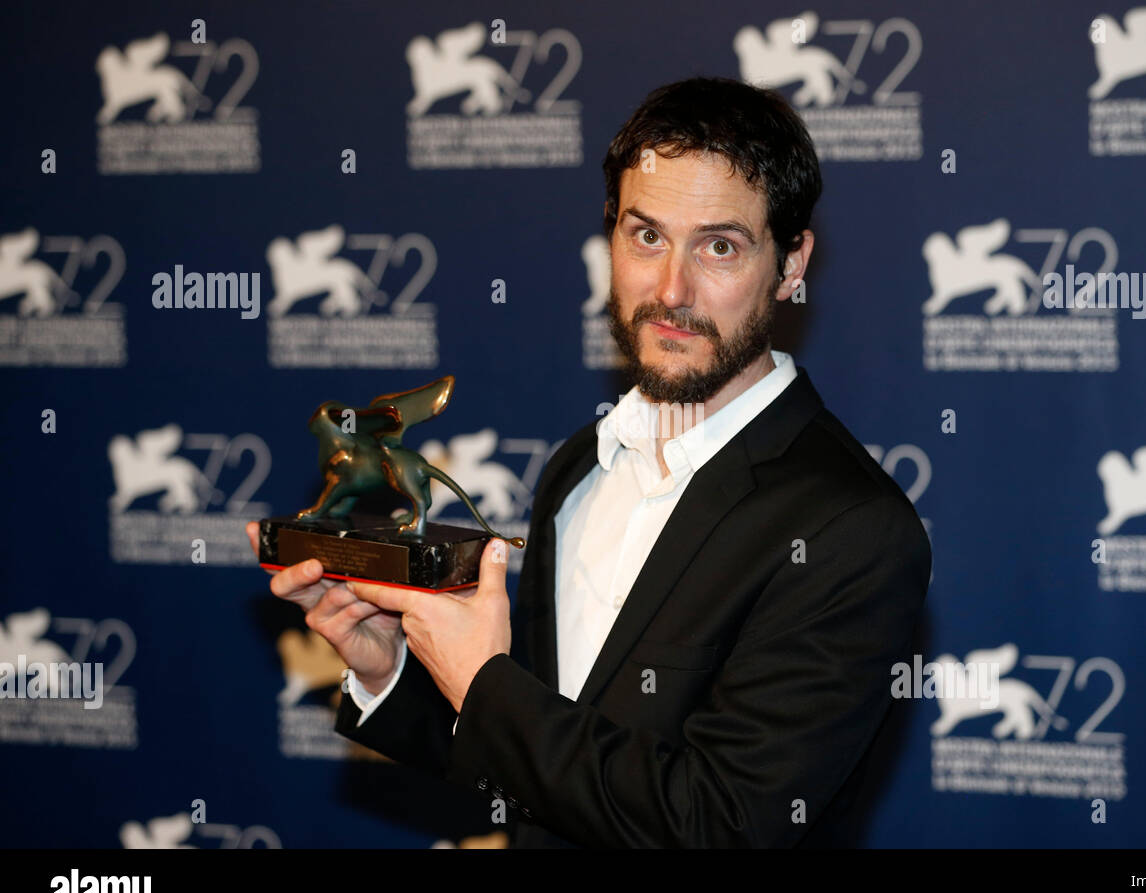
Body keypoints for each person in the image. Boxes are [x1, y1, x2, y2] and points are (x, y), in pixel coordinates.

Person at [247, 76, 931, 848]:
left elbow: (720, 824)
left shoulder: (852, 530)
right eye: (646, 236)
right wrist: (394, 669)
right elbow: (541, 756)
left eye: (719, 246)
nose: (671, 289)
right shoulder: (579, 468)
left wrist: (483, 683)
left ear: (792, 262)